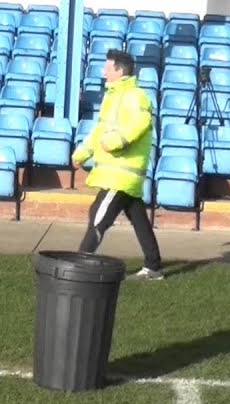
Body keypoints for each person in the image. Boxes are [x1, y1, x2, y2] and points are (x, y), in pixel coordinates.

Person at [72, 49, 165, 280]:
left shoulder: (136, 96)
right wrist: (82, 153)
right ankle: (153, 267)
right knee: (139, 219)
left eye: (107, 68)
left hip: (122, 174)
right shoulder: (112, 97)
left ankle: (79, 268)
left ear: (120, 71)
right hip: (115, 173)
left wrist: (115, 142)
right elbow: (99, 131)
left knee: (98, 217)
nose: (104, 72)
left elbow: (139, 124)